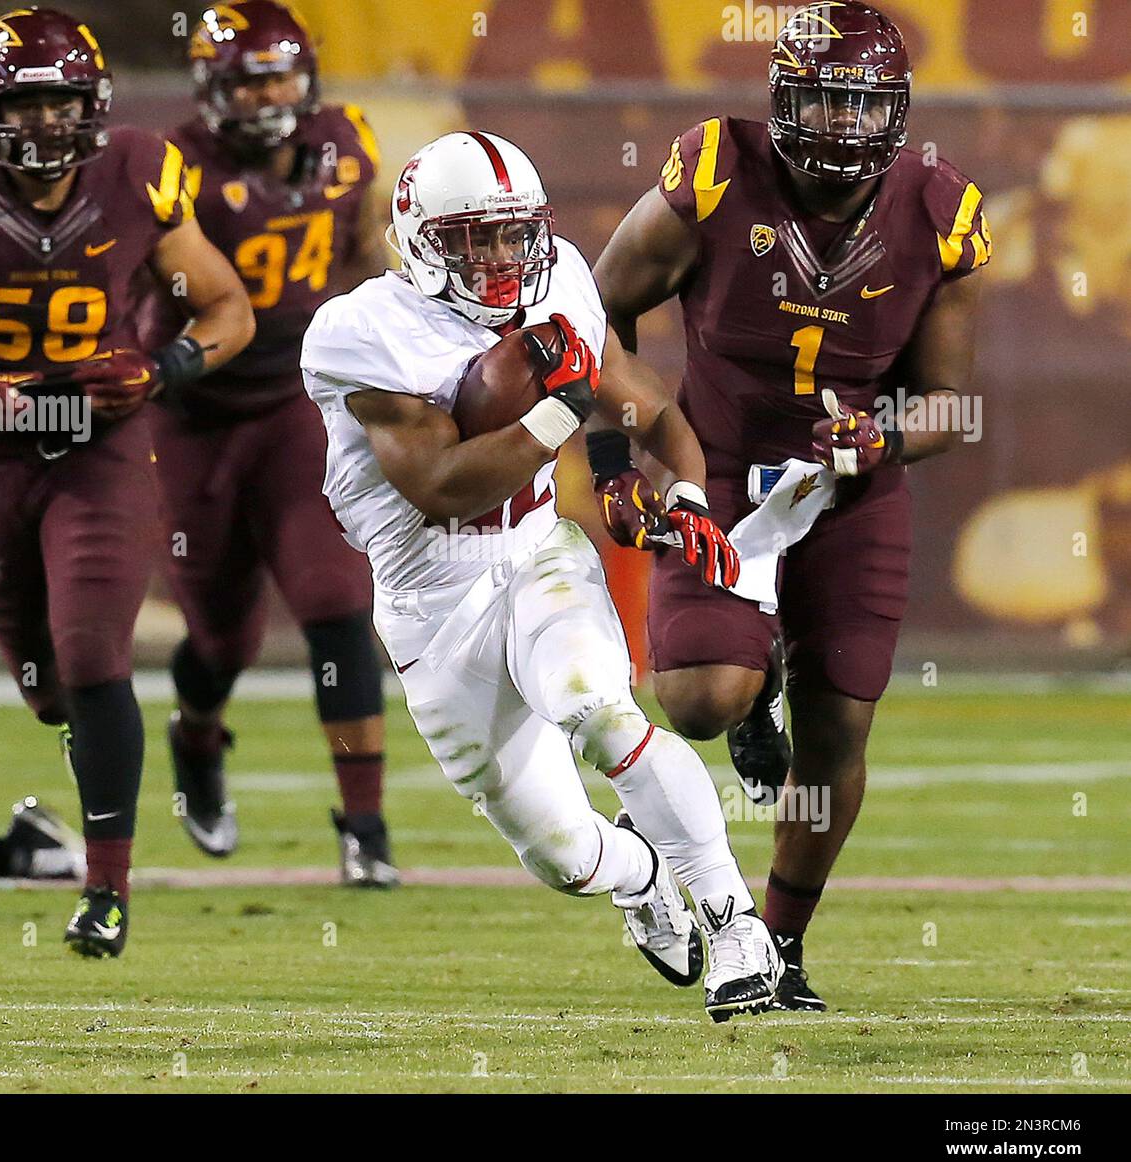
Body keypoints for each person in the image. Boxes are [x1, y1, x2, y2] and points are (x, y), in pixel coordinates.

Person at [302, 130, 784, 1020]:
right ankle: (641, 877)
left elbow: (651, 408)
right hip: (430, 605)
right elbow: (444, 489)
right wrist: (566, 405)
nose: (497, 260)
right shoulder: (363, 333)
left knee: (600, 708)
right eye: (471, 238)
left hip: (534, 553)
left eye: (510, 234)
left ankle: (737, 923)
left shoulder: (557, 277)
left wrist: (684, 498)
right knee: (563, 854)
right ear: (418, 239)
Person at [591, 1, 989, 1008]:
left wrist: (882, 438)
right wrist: (616, 453)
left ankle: (780, 943)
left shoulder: (940, 210)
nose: (838, 127)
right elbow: (597, 309)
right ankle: (748, 671)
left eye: (858, 106)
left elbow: (950, 401)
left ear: (894, 113)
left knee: (839, 726)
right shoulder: (718, 170)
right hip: (716, 463)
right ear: (780, 99)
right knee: (697, 697)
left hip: (844, 485)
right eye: (818, 102)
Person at [0, 6, 255, 955]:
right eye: (22, 106)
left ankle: (106, 891)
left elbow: (228, 308)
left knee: (91, 657)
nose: (41, 126)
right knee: (45, 690)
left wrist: (160, 373)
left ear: (94, 105)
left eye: (59, 104)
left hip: (99, 447)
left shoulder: (137, 176)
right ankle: (92, 748)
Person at [145, 1, 396, 883]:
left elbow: (374, 252)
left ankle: (364, 828)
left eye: (283, 76)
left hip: (300, 400)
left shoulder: (348, 142)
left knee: (335, 602)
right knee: (224, 639)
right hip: (196, 414)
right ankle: (198, 735)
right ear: (215, 88)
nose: (271, 96)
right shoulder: (174, 167)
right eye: (252, 80)